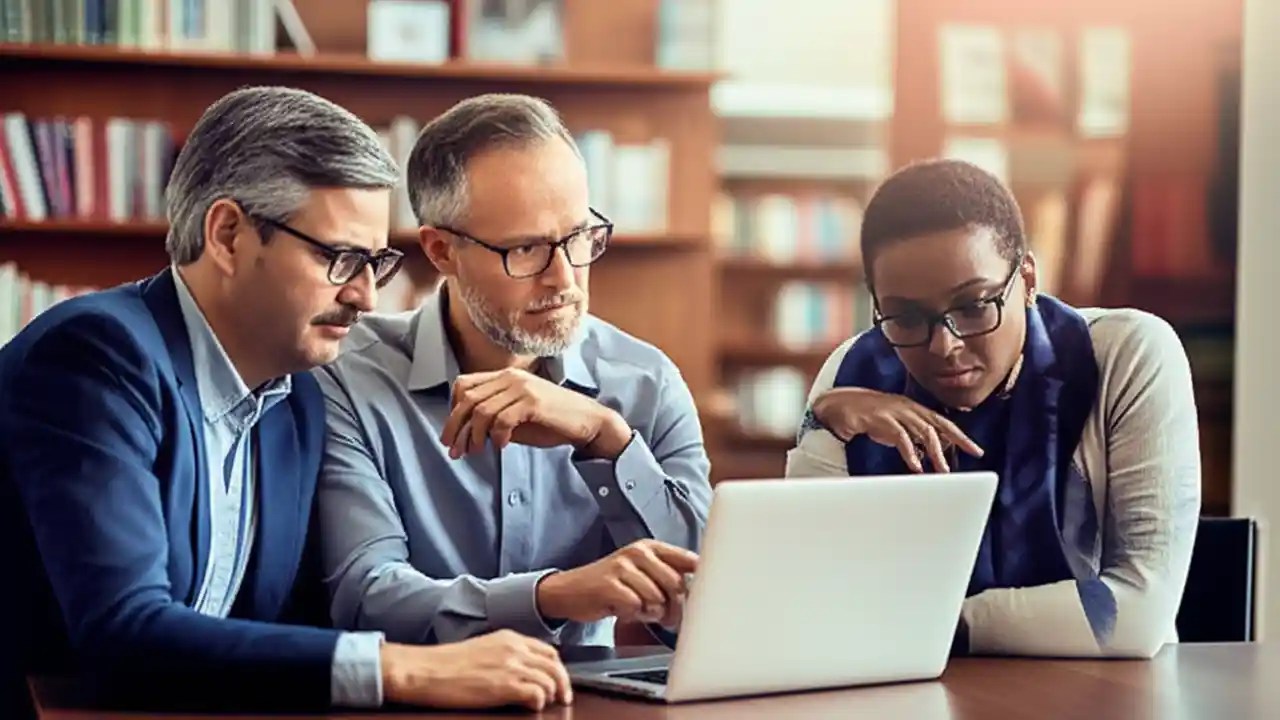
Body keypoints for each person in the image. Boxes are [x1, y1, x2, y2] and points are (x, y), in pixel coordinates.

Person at [0, 86, 571, 720]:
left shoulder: (295, 395)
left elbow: (281, 627)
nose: (366, 297)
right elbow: (123, 631)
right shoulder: (97, 357)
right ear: (227, 235)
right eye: (340, 258)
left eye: (374, 263)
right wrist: (403, 667)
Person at [314, 93, 711, 650]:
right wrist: (555, 595)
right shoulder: (346, 379)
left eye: (579, 238)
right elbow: (366, 596)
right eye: (526, 249)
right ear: (441, 251)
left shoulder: (646, 381)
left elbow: (706, 607)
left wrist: (608, 441)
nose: (565, 279)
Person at [786, 159, 1201, 658]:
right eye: (905, 316)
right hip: (914, 695)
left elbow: (1135, 616)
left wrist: (925, 621)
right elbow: (809, 598)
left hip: (1109, 696)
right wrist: (823, 425)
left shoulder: (1126, 355)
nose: (944, 345)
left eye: (973, 305)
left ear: (1027, 279)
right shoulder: (853, 372)